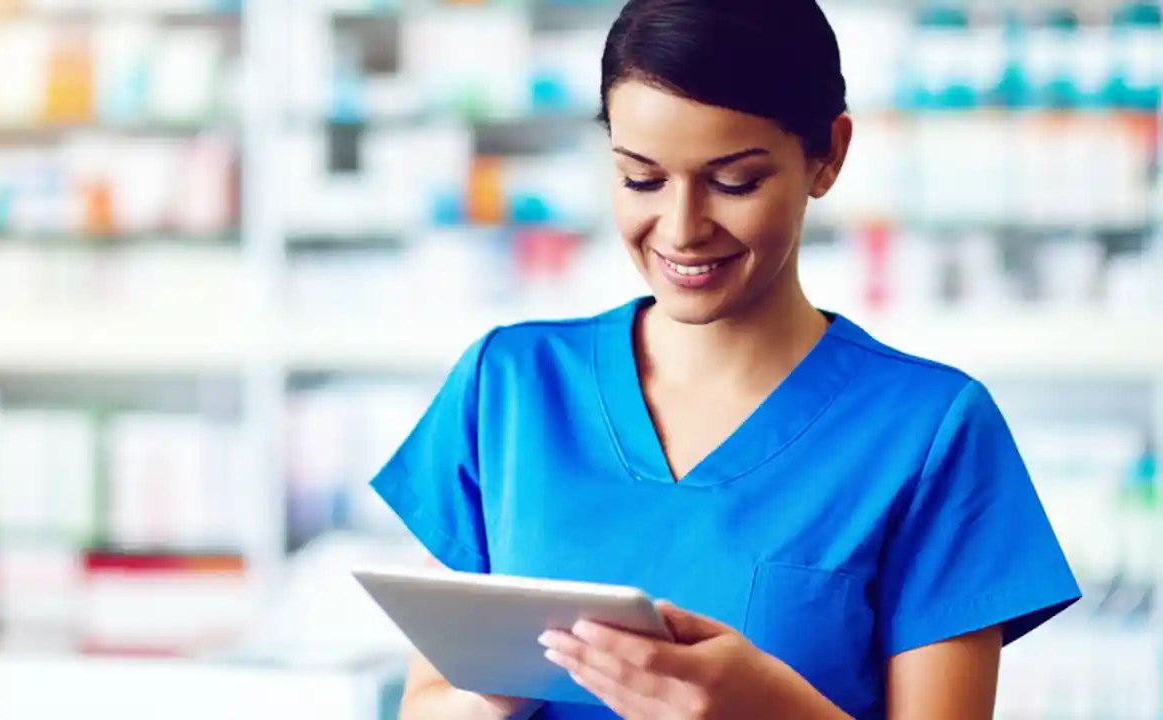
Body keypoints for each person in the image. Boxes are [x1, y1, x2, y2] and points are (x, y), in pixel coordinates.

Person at [369, 0, 1081, 717]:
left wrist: (768, 708)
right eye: (641, 179)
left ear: (828, 155)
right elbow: (426, 701)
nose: (682, 229)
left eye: (734, 182)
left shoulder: (929, 431)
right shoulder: (509, 387)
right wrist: (495, 693)